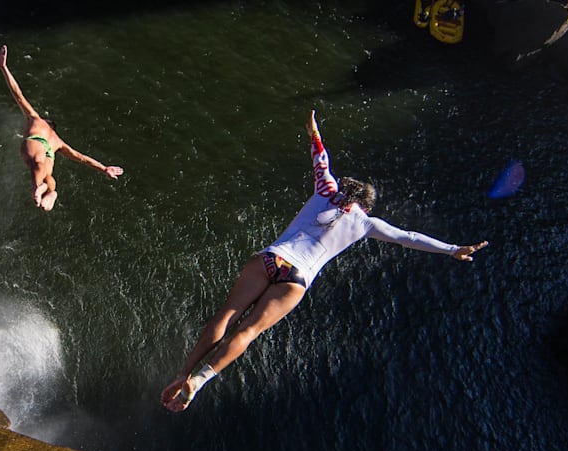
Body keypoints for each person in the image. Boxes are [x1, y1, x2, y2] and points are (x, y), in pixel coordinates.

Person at [160, 109, 489, 412]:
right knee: (248, 332)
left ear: (346, 190)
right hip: (296, 280)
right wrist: (452, 249)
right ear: (366, 205)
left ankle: (182, 373)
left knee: (226, 317)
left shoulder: (326, 189)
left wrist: (314, 131)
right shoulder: (366, 224)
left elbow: (321, 158)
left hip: (272, 259)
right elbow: (409, 237)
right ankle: (199, 382)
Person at [0, 45, 123, 211]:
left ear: (48, 122)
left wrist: (3, 68)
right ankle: (50, 192)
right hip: (50, 152)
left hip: (36, 143)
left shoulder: (36, 119)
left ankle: (37, 188)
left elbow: (18, 94)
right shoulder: (58, 141)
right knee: (50, 179)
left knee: (37, 164)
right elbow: (81, 157)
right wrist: (103, 168)